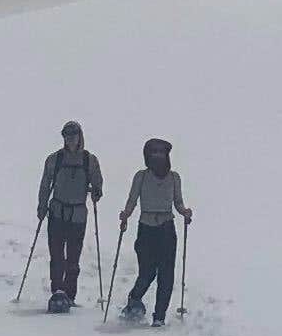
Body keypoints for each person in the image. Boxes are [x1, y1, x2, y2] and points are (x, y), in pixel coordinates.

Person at [116, 137, 191, 324]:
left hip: (166, 227)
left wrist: (184, 211)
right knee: (147, 271)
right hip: (146, 228)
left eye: (161, 152)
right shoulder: (141, 176)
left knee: (166, 275)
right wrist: (126, 215)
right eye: (154, 152)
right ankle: (135, 298)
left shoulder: (174, 178)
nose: (158, 156)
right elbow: (132, 200)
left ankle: (159, 316)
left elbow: (178, 202)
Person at [34, 118, 104, 309]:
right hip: (58, 213)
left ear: (80, 136)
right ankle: (58, 292)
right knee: (57, 256)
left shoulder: (89, 160)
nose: (70, 138)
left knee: (73, 258)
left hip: (77, 215)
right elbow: (45, 184)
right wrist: (41, 206)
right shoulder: (55, 159)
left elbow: (97, 182)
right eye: (66, 135)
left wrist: (97, 191)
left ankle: (69, 295)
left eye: (73, 135)